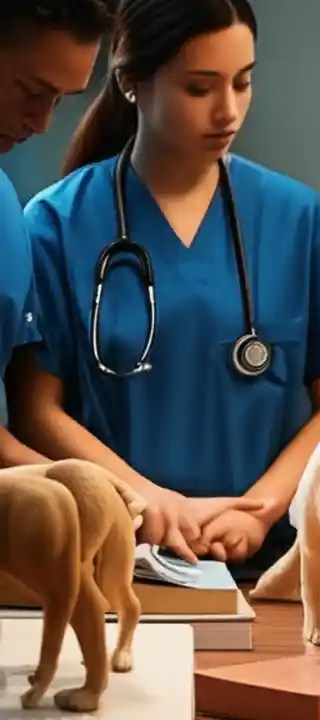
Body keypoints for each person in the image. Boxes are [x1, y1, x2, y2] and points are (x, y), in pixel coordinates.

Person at [7, 0, 320, 576]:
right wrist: (144, 500)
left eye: (243, 83)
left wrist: (261, 510)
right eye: (199, 88)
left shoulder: (299, 221)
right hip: (113, 554)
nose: (228, 111)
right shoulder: (54, 225)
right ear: (132, 82)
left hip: (270, 563)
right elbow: (36, 408)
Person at [0, 1, 112, 467]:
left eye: (60, 101)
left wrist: (110, 496)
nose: (42, 123)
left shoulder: (7, 210)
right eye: (30, 91)